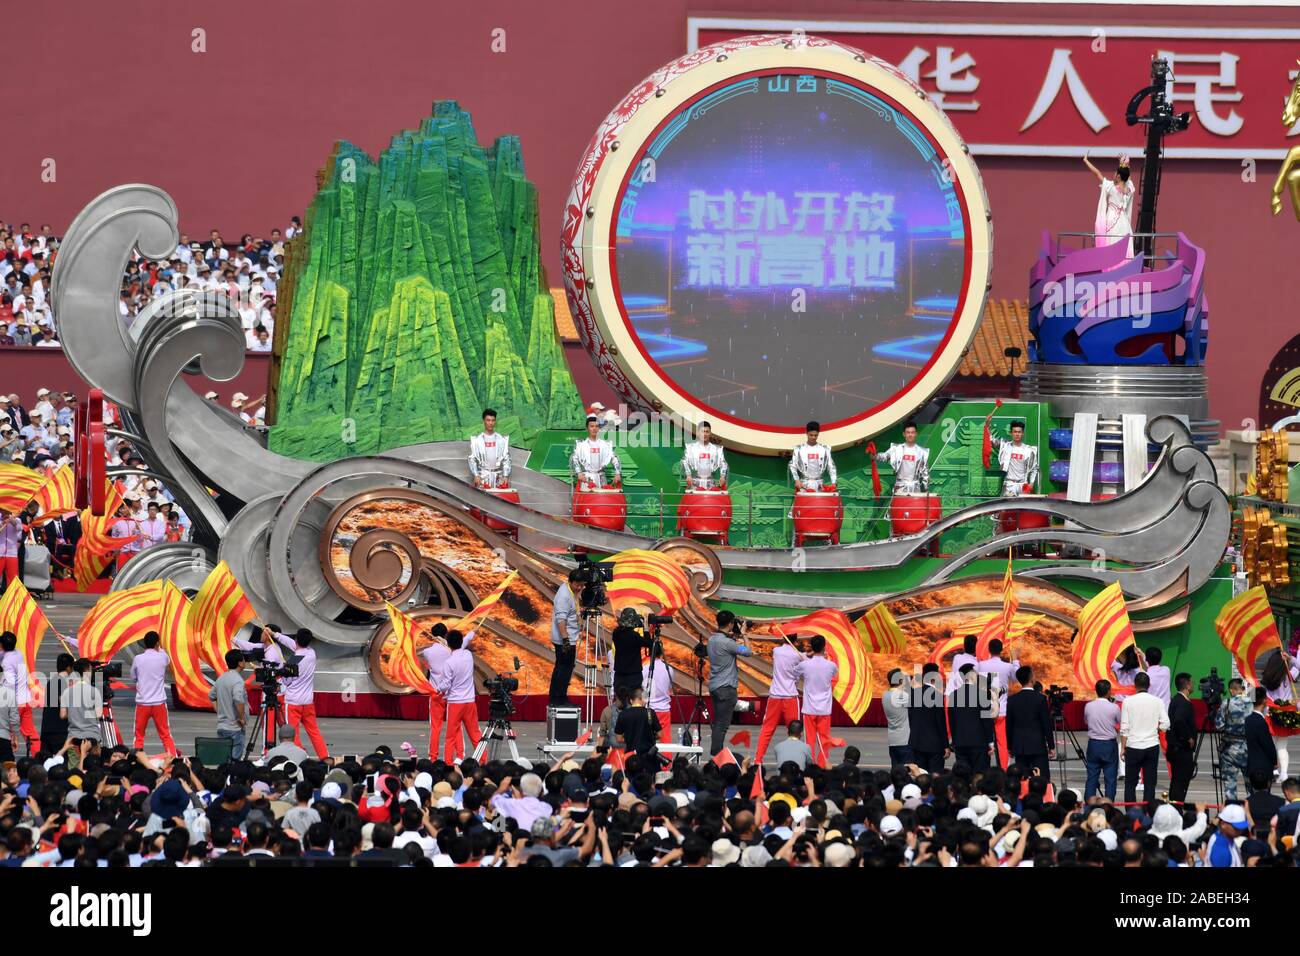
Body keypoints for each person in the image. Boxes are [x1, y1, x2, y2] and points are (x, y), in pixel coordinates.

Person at [263, 626, 328, 759]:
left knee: (294, 734)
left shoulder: (293, 662)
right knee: (314, 732)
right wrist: (275, 634)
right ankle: (325, 757)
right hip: (308, 701)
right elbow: (294, 645)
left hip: (293, 702)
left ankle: (300, 759)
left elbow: (286, 682)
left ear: (296, 639)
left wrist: (284, 670)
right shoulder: (311, 653)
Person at [1120, 671, 1169, 804]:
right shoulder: (1157, 701)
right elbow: (1166, 723)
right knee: (1150, 782)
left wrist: (1123, 748)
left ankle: (1131, 811)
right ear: (1149, 685)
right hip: (1151, 745)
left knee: (1130, 783)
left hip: (1133, 745)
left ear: (1135, 685)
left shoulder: (1127, 701)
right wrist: (1156, 729)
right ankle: (1148, 810)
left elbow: (1124, 727)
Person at [706, 610, 751, 756]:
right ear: (731, 624)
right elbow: (748, 651)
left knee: (718, 723)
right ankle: (717, 756)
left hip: (715, 686)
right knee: (722, 725)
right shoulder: (727, 642)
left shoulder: (712, 639)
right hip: (726, 688)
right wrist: (744, 634)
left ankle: (716, 753)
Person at [433, 629, 480, 763]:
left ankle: (448, 763)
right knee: (475, 734)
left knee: (451, 737)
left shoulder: (449, 662)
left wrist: (437, 688)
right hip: (470, 702)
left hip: (455, 703)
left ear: (448, 644)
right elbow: (463, 643)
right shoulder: (468, 655)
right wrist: (471, 633)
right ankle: (483, 761)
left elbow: (446, 684)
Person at [755, 636, 802, 765]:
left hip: (775, 696)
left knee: (767, 729)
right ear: (796, 641)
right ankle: (795, 761)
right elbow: (804, 658)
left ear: (783, 639)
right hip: (790, 697)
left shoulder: (777, 651)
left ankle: (758, 760)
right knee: (795, 731)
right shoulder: (797, 655)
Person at [793, 634, 838, 768]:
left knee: (810, 741)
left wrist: (806, 659)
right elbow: (834, 674)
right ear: (824, 647)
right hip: (824, 708)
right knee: (824, 740)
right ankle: (823, 764)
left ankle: (810, 766)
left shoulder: (805, 665)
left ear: (811, 647)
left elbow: (794, 672)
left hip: (810, 708)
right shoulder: (831, 665)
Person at [130, 630, 176, 755]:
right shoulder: (162, 657)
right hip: (159, 703)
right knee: (166, 735)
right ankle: (173, 759)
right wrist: (159, 646)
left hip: (143, 703)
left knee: (139, 736)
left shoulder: (138, 659)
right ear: (157, 643)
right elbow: (166, 658)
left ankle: (137, 759)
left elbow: (133, 677)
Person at [1005, 665, 1055, 780]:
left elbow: (1009, 725)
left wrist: (1010, 747)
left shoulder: (1012, 700)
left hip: (1020, 746)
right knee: (1041, 779)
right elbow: (1046, 724)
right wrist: (1051, 745)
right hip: (1037, 746)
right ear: (1032, 679)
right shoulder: (1040, 698)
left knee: (1022, 779)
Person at [976, 638, 1019, 768]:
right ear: (1001, 650)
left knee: (984, 742)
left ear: (989, 649)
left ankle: (984, 770)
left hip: (985, 709)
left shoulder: (981, 665)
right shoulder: (1008, 666)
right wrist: (1015, 660)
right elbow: (1017, 678)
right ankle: (1004, 771)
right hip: (1001, 711)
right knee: (1002, 744)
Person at [1084, 151, 1135, 258]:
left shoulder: (1111, 187)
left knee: (1111, 245)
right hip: (1124, 224)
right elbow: (1127, 176)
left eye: (1116, 173)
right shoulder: (1130, 189)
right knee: (1124, 249)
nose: (1114, 174)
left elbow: (1097, 173)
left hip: (1112, 222)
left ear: (1119, 176)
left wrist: (1086, 161)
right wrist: (1124, 163)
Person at [947, 664, 994, 773]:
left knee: (962, 776)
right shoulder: (981, 694)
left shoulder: (953, 695)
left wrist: (955, 741)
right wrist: (990, 742)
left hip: (960, 742)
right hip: (979, 742)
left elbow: (952, 722)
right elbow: (986, 720)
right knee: (979, 775)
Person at [1260, 648, 1300, 778]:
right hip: (1285, 715)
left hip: (1270, 714)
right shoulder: (1289, 676)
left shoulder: (1266, 679)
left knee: (1269, 745)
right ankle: (1284, 774)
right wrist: (1293, 658)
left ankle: (1272, 770)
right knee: (1282, 746)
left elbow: (1257, 696)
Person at [1083, 679, 1122, 801]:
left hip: (1094, 743)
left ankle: (1089, 806)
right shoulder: (1114, 707)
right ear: (1109, 691)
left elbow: (1086, 721)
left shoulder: (1088, 706)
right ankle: (1108, 806)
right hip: (1109, 744)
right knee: (1110, 778)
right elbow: (1119, 722)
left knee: (1092, 777)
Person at [983, 415, 1039, 498]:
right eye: (1015, 432)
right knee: (1007, 509)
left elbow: (1034, 469)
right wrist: (987, 425)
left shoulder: (1029, 450)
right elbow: (990, 440)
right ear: (1011, 433)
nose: (1017, 434)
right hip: (1009, 484)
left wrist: (1031, 484)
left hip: (1023, 485)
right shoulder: (1005, 446)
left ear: (1023, 433)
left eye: (1019, 432)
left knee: (1022, 510)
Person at [549, 568, 582, 706]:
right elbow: (560, 619)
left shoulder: (570, 590)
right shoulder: (564, 595)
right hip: (565, 639)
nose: (580, 587)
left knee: (561, 668)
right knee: (564, 670)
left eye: (582, 584)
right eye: (578, 585)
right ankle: (560, 699)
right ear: (571, 582)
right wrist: (566, 640)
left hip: (568, 637)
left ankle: (556, 698)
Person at [908, 663, 949, 774]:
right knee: (935, 778)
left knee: (920, 777)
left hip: (917, 742)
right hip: (934, 745)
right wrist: (946, 745)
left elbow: (911, 718)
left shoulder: (913, 694)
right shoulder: (938, 695)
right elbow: (940, 722)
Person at [419, 622, 452, 760]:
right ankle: (451, 758)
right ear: (445, 634)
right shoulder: (450, 651)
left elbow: (424, 660)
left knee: (435, 728)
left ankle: (433, 757)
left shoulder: (427, 652)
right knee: (453, 728)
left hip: (435, 693)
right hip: (450, 693)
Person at [868, 420, 930, 493]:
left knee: (913, 505)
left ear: (916, 434)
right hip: (899, 486)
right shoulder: (896, 449)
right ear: (904, 434)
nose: (910, 435)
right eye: (908, 432)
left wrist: (926, 490)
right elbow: (885, 456)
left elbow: (925, 473)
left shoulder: (922, 452)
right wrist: (875, 456)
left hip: (915, 487)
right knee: (898, 504)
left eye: (912, 432)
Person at [0, 631, 36, 754]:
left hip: (15, 703)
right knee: (30, 734)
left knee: (5, 735)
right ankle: (41, 758)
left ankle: (7, 762)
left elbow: (9, 685)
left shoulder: (6, 662)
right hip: (26, 700)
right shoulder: (18, 653)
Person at [209, 649, 249, 759]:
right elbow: (238, 698)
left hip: (221, 726)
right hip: (234, 728)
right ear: (240, 663)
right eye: (244, 659)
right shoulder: (238, 680)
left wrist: (219, 711)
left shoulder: (221, 678)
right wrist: (241, 718)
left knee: (224, 760)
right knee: (234, 762)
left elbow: (212, 696)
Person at [1219, 676, 1253, 801]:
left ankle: (1231, 812)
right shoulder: (1251, 703)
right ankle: (1252, 812)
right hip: (1248, 747)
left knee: (1230, 785)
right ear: (1243, 689)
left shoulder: (1226, 703)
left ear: (1231, 690)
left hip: (1230, 748)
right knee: (1251, 785)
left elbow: (1219, 725)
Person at [1166, 672, 1197, 802]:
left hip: (1174, 747)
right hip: (1181, 748)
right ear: (1188, 685)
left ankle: (1174, 804)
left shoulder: (1175, 700)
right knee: (1181, 781)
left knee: (1176, 780)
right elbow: (1179, 720)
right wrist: (1188, 737)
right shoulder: (1184, 703)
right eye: (1191, 682)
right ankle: (1177, 807)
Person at [610, 608, 654, 698]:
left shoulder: (616, 634)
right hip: (634, 675)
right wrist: (645, 628)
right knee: (633, 700)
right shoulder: (634, 636)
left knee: (620, 700)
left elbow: (621, 629)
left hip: (619, 675)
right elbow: (649, 643)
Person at [59, 658, 104, 746]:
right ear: (87, 670)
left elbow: (62, 715)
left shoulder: (66, 692)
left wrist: (75, 713)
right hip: (92, 737)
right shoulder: (94, 691)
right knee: (91, 760)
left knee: (74, 760)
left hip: (73, 738)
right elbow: (98, 715)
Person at [39, 652, 75, 757]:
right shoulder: (62, 682)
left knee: (46, 762)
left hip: (46, 729)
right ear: (69, 668)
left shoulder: (51, 681)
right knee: (61, 763)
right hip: (58, 731)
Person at [570, 415, 621, 488]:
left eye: (597, 426)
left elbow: (614, 458)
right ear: (587, 428)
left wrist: (617, 473)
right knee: (587, 499)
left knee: (602, 499)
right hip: (586, 479)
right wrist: (579, 473)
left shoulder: (606, 444)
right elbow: (575, 459)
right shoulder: (580, 445)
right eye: (592, 426)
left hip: (601, 478)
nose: (594, 428)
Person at [614, 686, 661, 759]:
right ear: (643, 699)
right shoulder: (650, 713)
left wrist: (630, 738)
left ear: (631, 700)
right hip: (649, 756)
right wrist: (648, 737)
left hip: (631, 757)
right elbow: (660, 734)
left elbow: (619, 738)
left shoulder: (623, 714)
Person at [468, 408, 511, 488]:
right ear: (484, 421)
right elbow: (472, 459)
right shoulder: (477, 440)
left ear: (495, 421)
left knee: (498, 500)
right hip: (483, 477)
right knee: (482, 499)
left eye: (493, 420)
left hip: (499, 477)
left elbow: (506, 459)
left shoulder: (501, 439)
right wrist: (476, 475)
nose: (490, 423)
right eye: (488, 420)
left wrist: (505, 475)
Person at [641, 643, 674, 746]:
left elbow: (641, 688)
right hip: (663, 709)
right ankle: (667, 762)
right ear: (661, 653)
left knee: (645, 739)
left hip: (647, 709)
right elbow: (669, 687)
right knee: (665, 741)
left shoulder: (644, 669)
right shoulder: (669, 669)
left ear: (649, 653)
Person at [789, 421, 837, 491]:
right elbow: (793, 465)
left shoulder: (824, 449)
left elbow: (831, 467)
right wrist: (797, 480)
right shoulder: (799, 449)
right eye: (811, 435)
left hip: (819, 484)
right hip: (804, 485)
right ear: (806, 433)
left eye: (816, 435)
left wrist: (834, 482)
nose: (813, 437)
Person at [1246, 687, 1279, 785]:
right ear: (1264, 700)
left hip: (1251, 763)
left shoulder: (1248, 719)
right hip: (1262, 767)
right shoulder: (1260, 721)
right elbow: (1267, 744)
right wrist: (1274, 760)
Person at [681, 420, 727, 489]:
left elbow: (723, 463)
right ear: (698, 432)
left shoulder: (717, 449)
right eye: (702, 431)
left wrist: (722, 476)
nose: (705, 434)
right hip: (694, 484)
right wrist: (688, 475)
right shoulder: (690, 448)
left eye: (707, 432)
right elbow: (684, 461)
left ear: (710, 433)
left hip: (711, 484)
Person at [881, 669, 912, 768]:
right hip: (905, 740)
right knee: (907, 772)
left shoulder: (885, 695)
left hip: (893, 739)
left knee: (896, 771)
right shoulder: (903, 696)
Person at [0, 508, 21, 589]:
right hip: (0, 553)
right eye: (2, 509)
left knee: (13, 579)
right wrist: (3, 523)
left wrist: (12, 521)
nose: (4, 511)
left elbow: (19, 529)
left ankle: (13, 599)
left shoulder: (17, 519)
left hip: (11, 554)